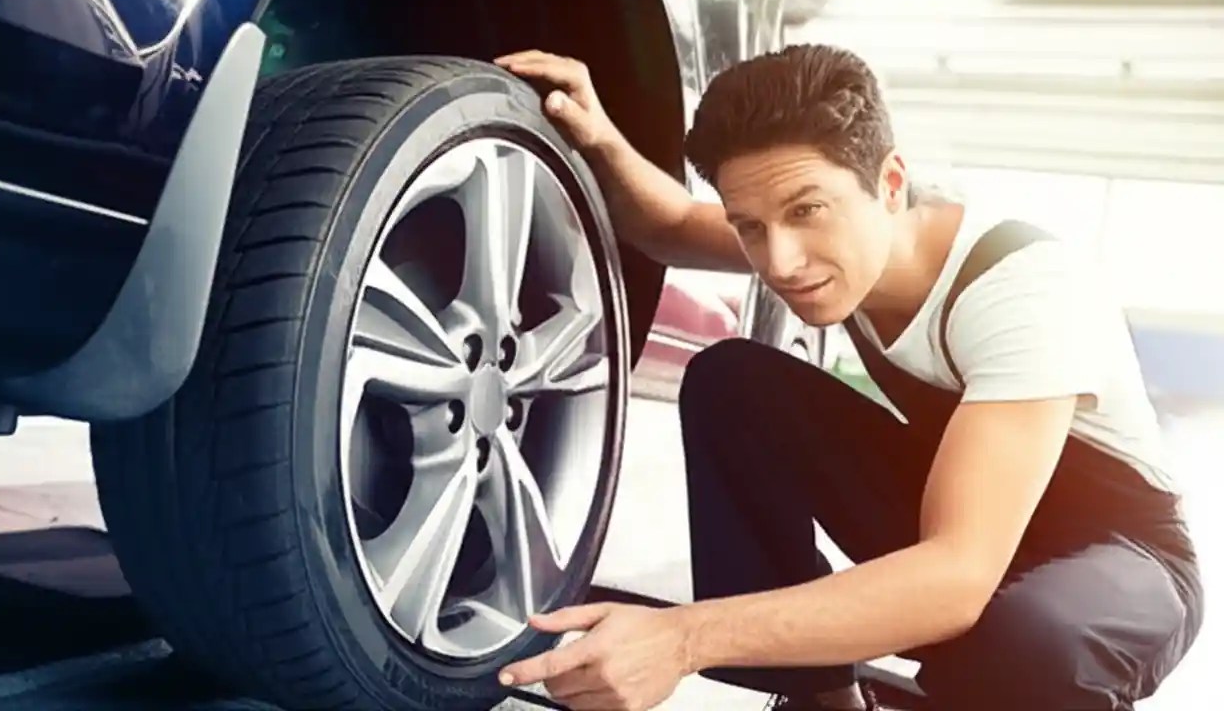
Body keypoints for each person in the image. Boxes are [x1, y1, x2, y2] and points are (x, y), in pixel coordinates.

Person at [490, 44, 1203, 711]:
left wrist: (681, 637)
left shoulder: (1024, 288)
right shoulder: (833, 241)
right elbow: (672, 224)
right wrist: (595, 133)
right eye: (750, 227)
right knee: (734, 383)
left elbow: (956, 579)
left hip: (1118, 555)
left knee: (1029, 639)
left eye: (806, 212)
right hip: (954, 510)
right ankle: (820, 699)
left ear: (890, 183)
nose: (782, 262)